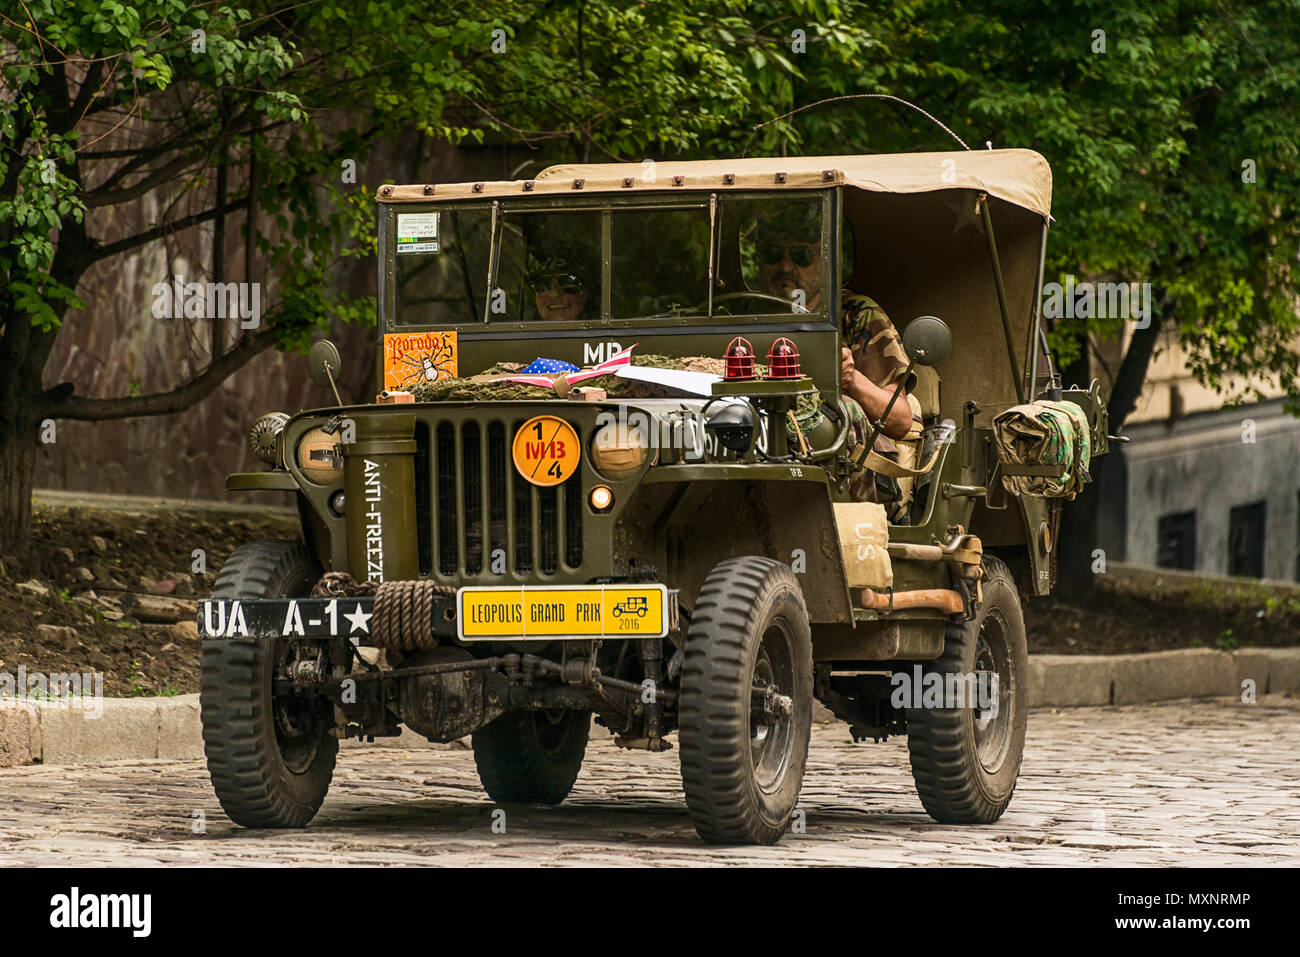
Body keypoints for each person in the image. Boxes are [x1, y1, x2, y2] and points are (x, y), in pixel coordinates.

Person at [755, 205, 922, 510]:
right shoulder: (744, 318)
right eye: (773, 254)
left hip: (845, 475)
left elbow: (899, 420)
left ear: (822, 262)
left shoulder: (856, 314)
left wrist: (852, 380)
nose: (785, 266)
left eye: (802, 256)